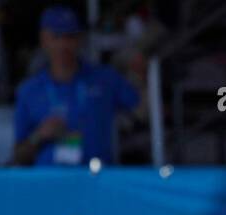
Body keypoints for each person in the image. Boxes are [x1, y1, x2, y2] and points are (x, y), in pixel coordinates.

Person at [13, 6, 141, 166]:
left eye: (69, 36)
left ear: (80, 39)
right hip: (51, 184)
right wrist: (38, 135)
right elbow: (18, 156)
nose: (63, 44)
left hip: (97, 179)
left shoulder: (105, 78)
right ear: (43, 39)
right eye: (56, 36)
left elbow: (143, 110)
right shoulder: (29, 90)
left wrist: (141, 73)